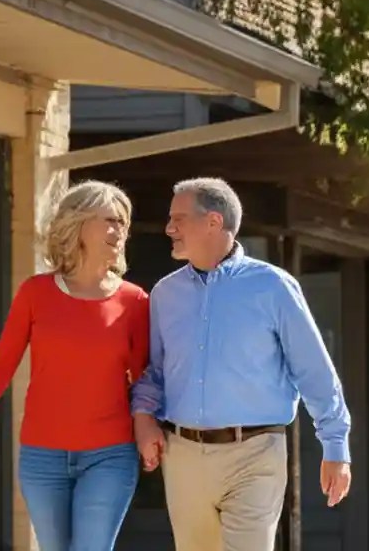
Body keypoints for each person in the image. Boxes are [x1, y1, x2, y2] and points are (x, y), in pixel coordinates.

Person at [132, 177, 352, 551]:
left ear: (213, 222)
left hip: (255, 453)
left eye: (179, 219)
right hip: (183, 456)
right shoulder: (165, 295)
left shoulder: (273, 287)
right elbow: (155, 372)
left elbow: (313, 370)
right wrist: (143, 416)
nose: (169, 229)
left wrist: (336, 446)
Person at [0, 180, 150, 551]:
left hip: (110, 456)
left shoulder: (135, 302)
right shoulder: (36, 294)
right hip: (43, 458)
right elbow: (0, 367)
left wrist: (150, 430)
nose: (118, 231)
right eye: (109, 220)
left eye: (122, 222)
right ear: (78, 224)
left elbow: (145, 381)